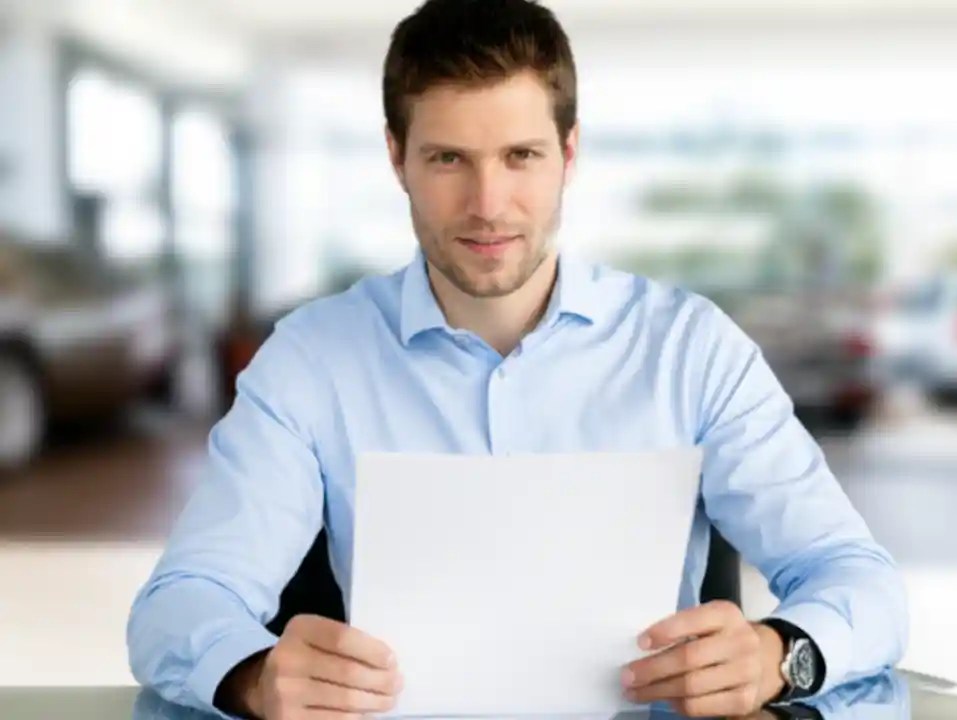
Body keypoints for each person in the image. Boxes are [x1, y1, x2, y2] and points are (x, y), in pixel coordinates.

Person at [126, 1, 908, 718]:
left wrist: (783, 654)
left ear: (569, 154)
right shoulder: (309, 360)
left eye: (521, 156)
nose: (488, 203)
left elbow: (860, 581)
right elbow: (181, 604)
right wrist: (252, 675)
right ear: (396, 157)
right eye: (448, 160)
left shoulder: (691, 350)